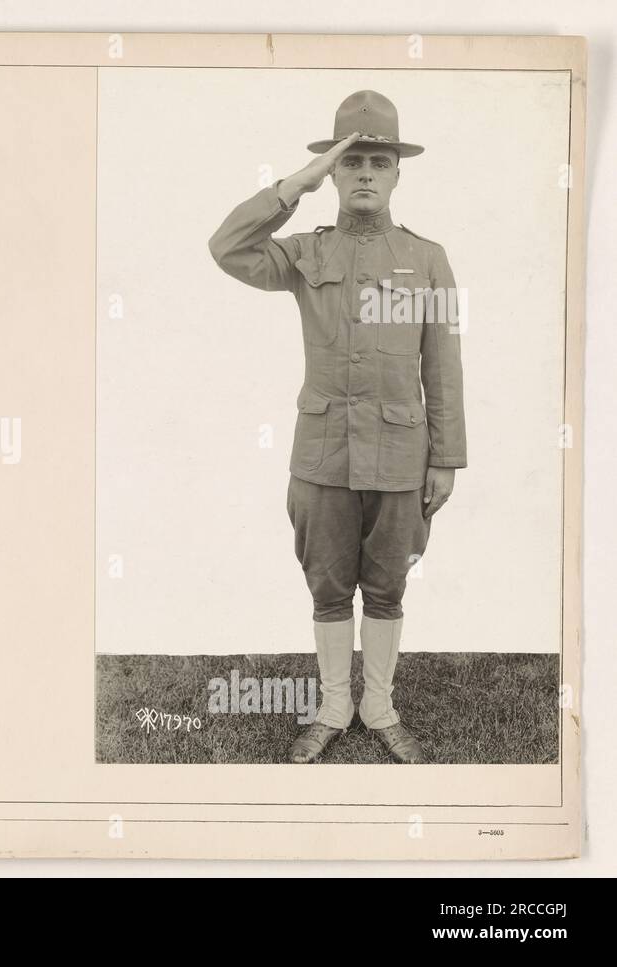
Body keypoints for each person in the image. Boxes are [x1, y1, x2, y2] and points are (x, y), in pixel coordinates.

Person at [208, 90, 467, 764]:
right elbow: (227, 248)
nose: (365, 174)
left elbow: (443, 364)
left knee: (387, 585)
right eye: (350, 162)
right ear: (333, 170)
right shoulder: (303, 254)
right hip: (321, 456)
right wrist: (295, 185)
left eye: (379, 162)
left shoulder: (428, 258)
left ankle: (377, 705)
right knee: (327, 585)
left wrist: (447, 458)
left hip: (403, 457)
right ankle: (332, 703)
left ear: (397, 174)